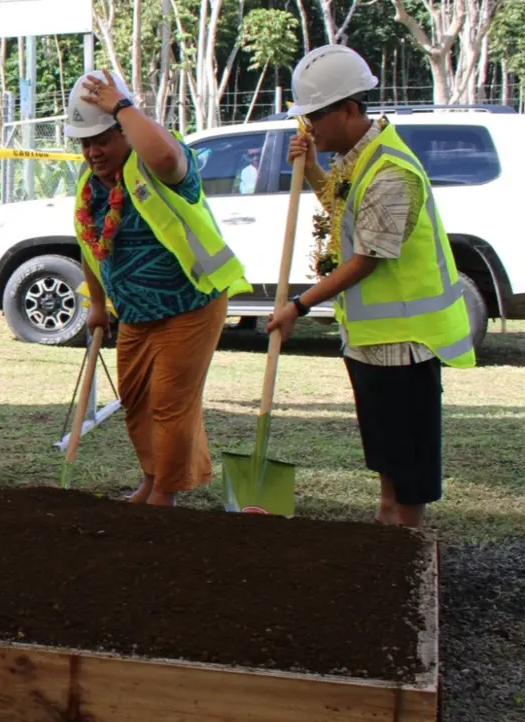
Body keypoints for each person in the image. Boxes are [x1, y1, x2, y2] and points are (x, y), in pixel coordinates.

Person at [266, 45, 476, 528]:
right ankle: (388, 532)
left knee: (409, 468)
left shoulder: (390, 172)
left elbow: (367, 259)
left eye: (315, 116)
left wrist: (299, 305)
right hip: (370, 344)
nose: (309, 127)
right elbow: (341, 208)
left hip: (406, 346)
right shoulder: (355, 161)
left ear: (350, 109)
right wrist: (315, 170)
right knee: (386, 456)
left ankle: (408, 552)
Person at [65, 71, 250, 506]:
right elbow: (90, 245)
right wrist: (96, 303)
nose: (92, 152)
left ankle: (164, 496)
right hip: (134, 313)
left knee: (169, 403)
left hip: (189, 305)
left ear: (125, 131)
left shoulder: (158, 166)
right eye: (84, 143)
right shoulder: (91, 186)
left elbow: (167, 158)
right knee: (137, 401)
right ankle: (151, 479)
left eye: (102, 140)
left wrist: (121, 107)